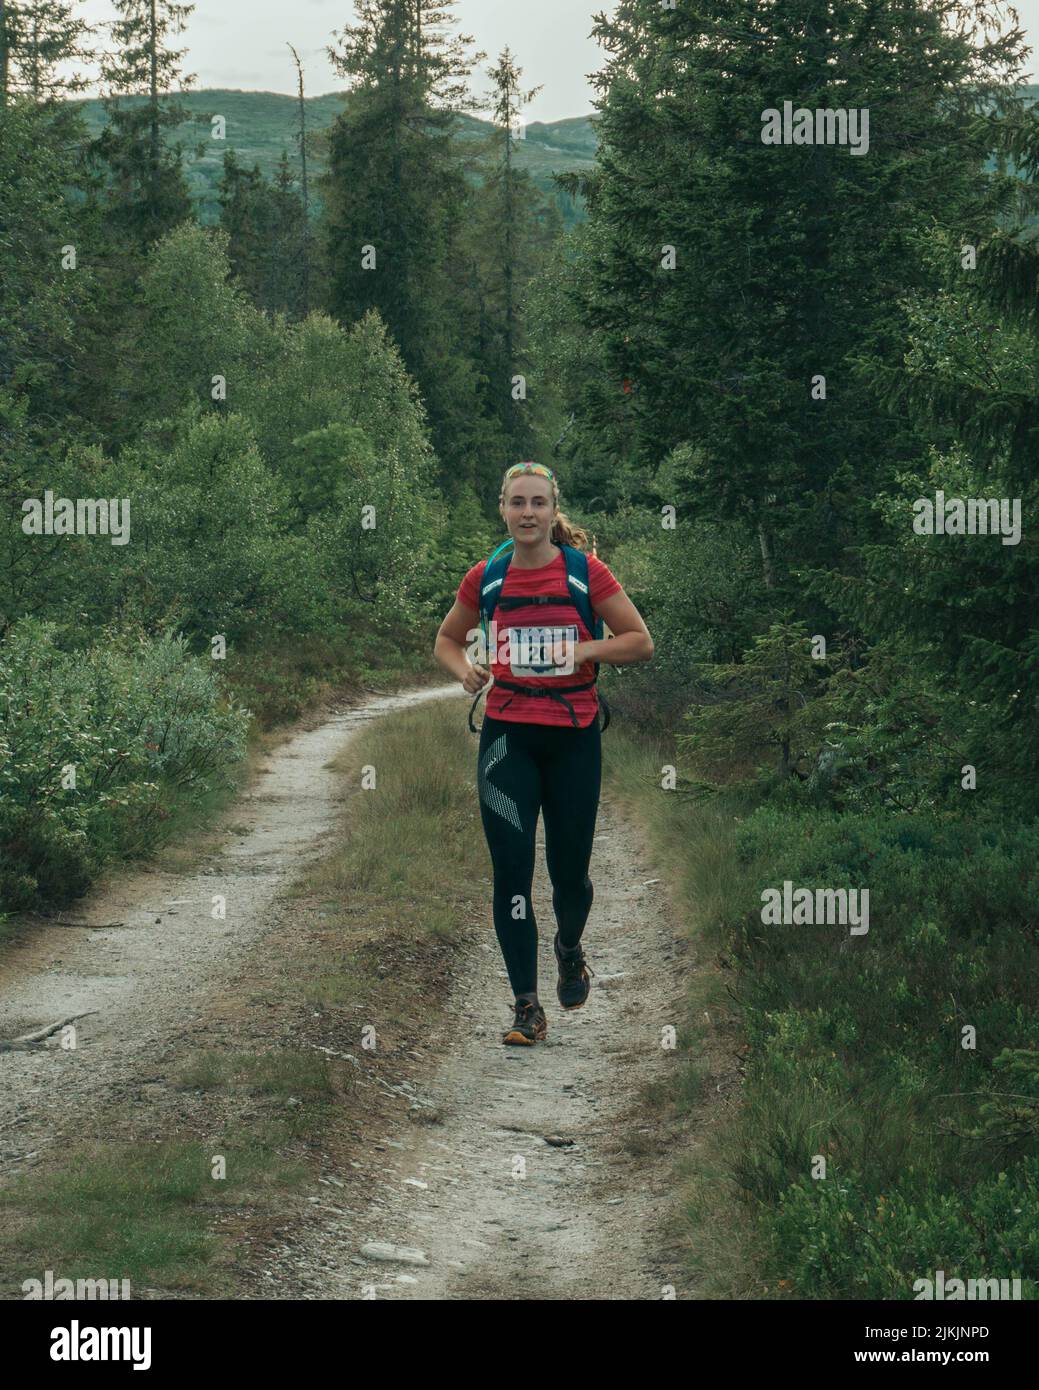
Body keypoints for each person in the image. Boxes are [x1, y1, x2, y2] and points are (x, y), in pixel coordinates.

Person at [433, 462, 654, 1045]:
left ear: (554, 510)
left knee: (569, 874)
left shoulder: (585, 573)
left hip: (573, 735)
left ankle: (569, 946)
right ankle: (526, 1005)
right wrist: (466, 672)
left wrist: (582, 650)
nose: (527, 513)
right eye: (517, 503)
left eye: (538, 503)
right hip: (507, 738)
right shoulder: (486, 576)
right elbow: (447, 639)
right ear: (502, 509)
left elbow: (639, 641)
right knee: (511, 870)